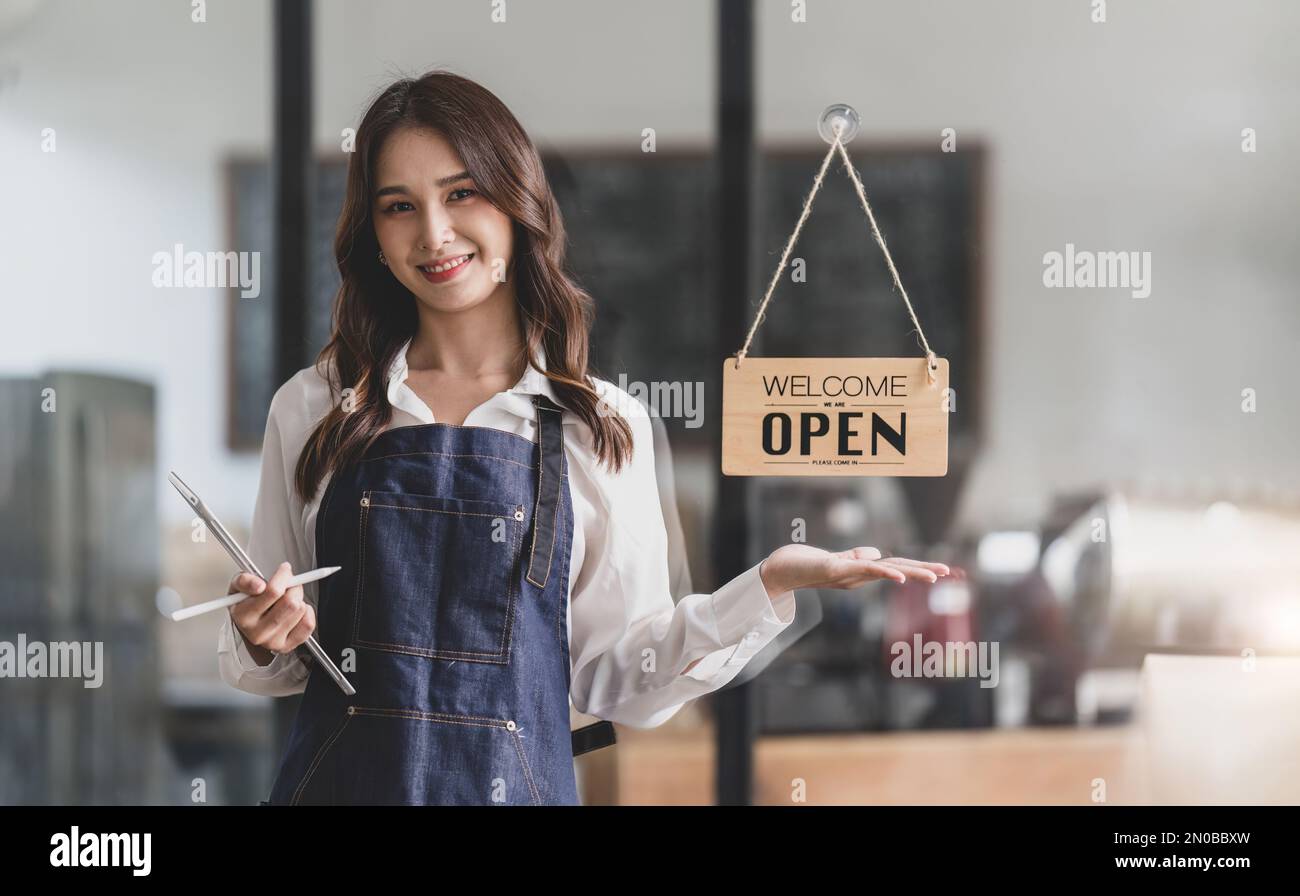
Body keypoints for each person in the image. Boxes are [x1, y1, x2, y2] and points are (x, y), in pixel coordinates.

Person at [217, 70, 950, 805]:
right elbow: (270, 666)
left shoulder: (600, 426)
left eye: (460, 193)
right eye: (399, 206)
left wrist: (769, 585)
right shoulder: (314, 408)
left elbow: (621, 678)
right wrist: (258, 631)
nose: (434, 233)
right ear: (373, 235)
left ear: (516, 201)